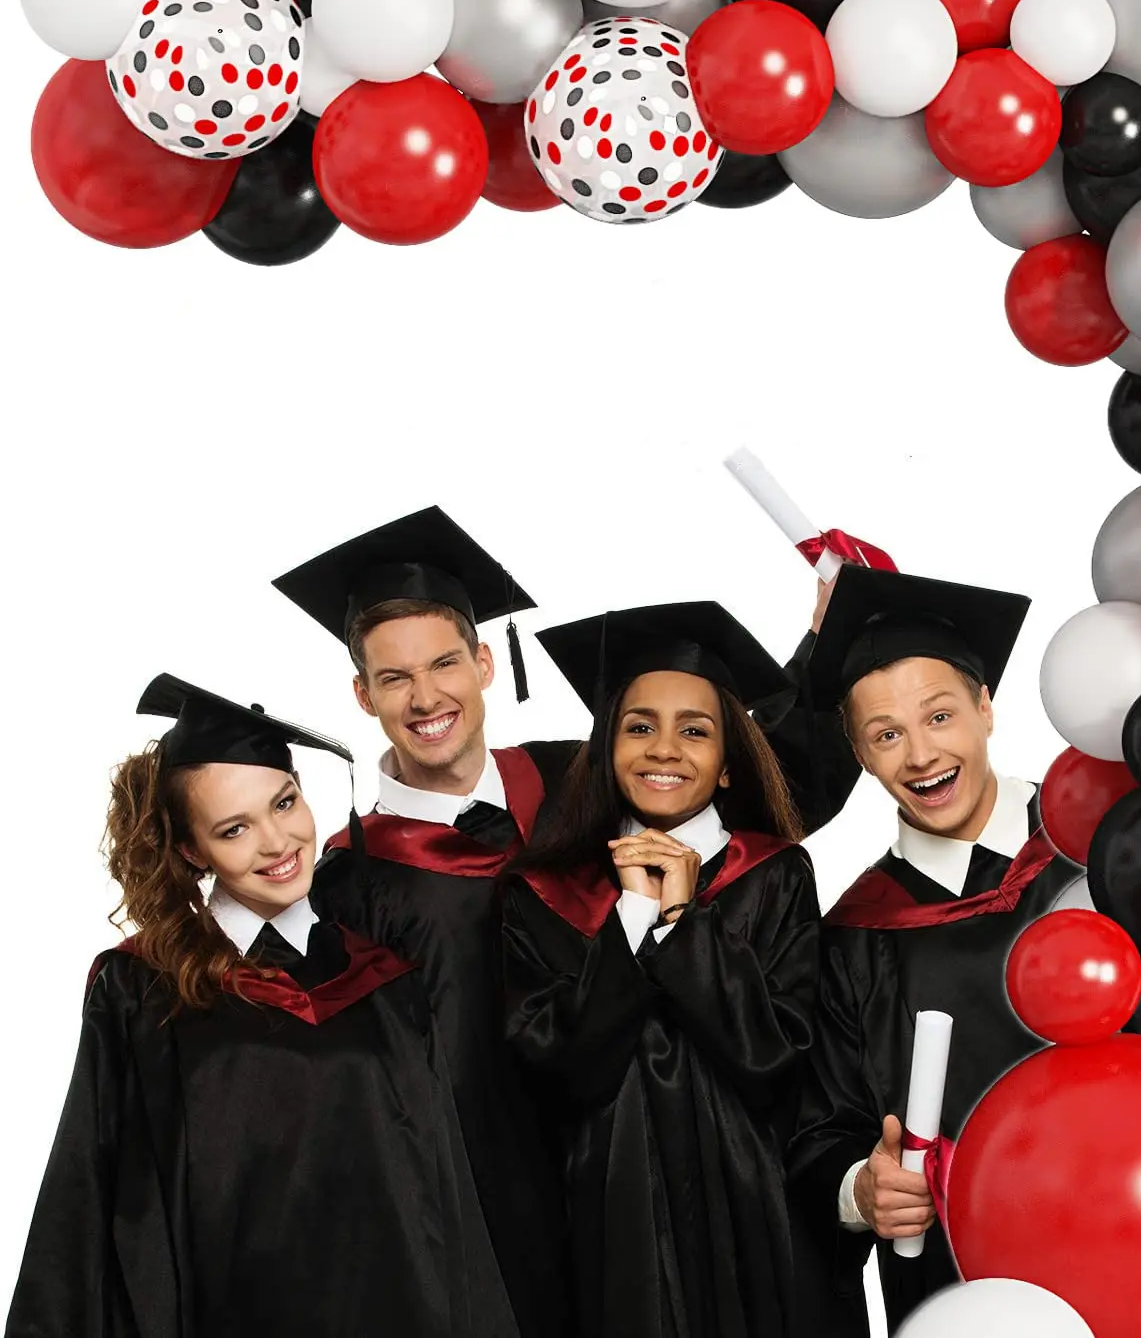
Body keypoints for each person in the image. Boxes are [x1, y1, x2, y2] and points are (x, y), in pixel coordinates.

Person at [5, 676, 514, 1338]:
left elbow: (447, 1199)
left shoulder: (387, 982)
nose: (277, 843)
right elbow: (89, 1192)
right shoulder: (142, 990)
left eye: (284, 802)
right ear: (192, 849)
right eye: (235, 828)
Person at [271, 505, 574, 1338]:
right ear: (363, 695)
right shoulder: (347, 882)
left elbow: (748, 795)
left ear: (484, 663)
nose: (426, 696)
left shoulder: (573, 781)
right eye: (395, 677)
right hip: (476, 1222)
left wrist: (826, 643)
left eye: (444, 663)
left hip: (625, 1176)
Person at [500, 602, 824, 1338]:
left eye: (696, 731)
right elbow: (557, 1072)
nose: (665, 749)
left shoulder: (775, 875)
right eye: (639, 727)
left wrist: (682, 923)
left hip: (753, 1212)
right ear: (606, 747)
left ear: (729, 762)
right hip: (606, 1217)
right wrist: (633, 915)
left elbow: (779, 1059)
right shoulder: (544, 892)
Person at [786, 567, 1083, 1336]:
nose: (920, 755)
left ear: (985, 707)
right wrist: (863, 1189)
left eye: (940, 715)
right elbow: (820, 1136)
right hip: (961, 1285)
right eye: (886, 735)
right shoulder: (854, 938)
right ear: (858, 752)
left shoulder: (1097, 849)